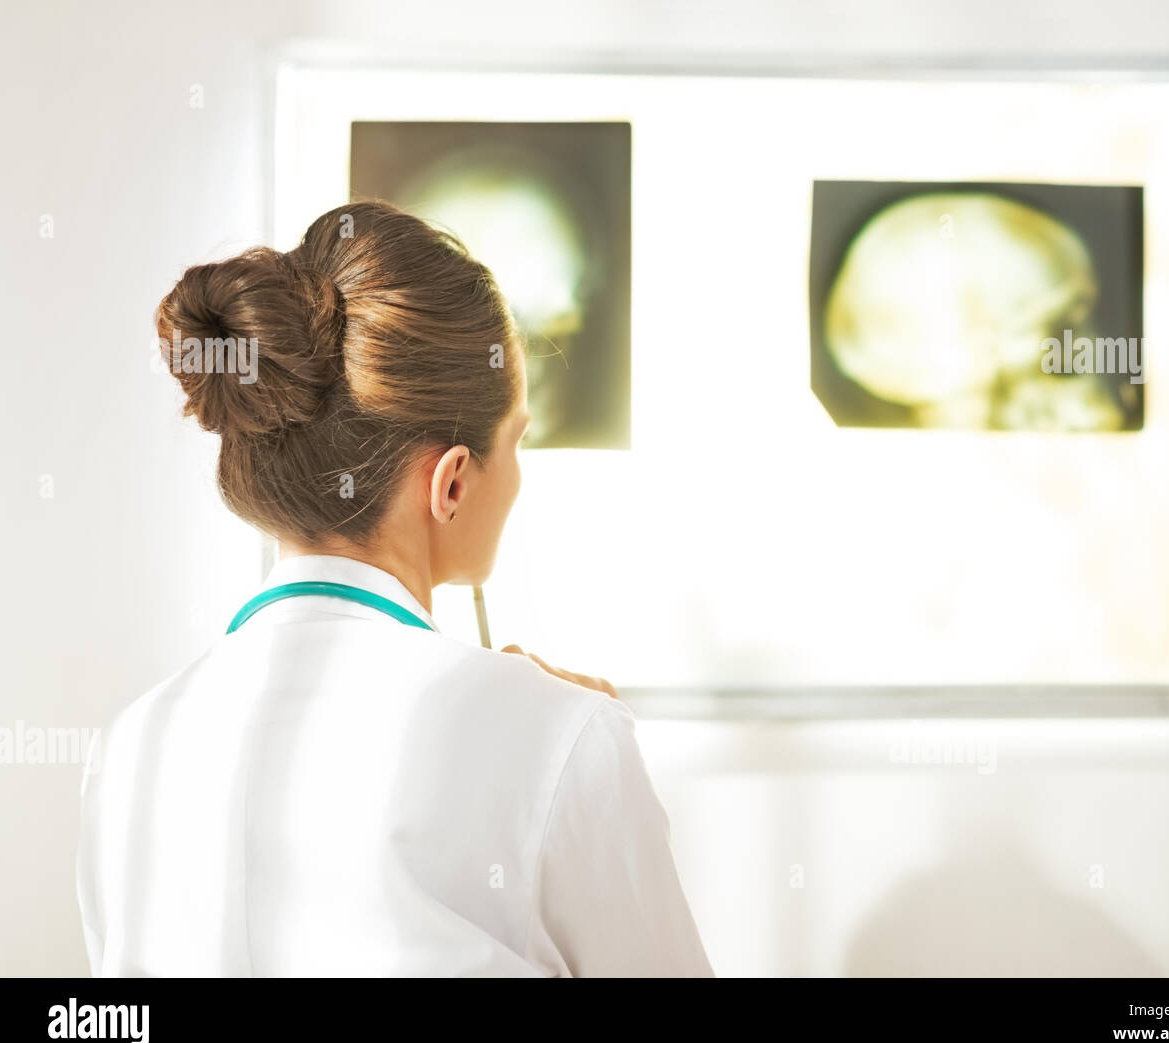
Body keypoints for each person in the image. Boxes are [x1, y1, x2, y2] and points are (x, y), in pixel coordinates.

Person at [75, 200, 713, 978]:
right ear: (450, 482)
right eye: (516, 441)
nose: (519, 474)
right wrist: (582, 757)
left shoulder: (133, 745)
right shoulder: (561, 737)